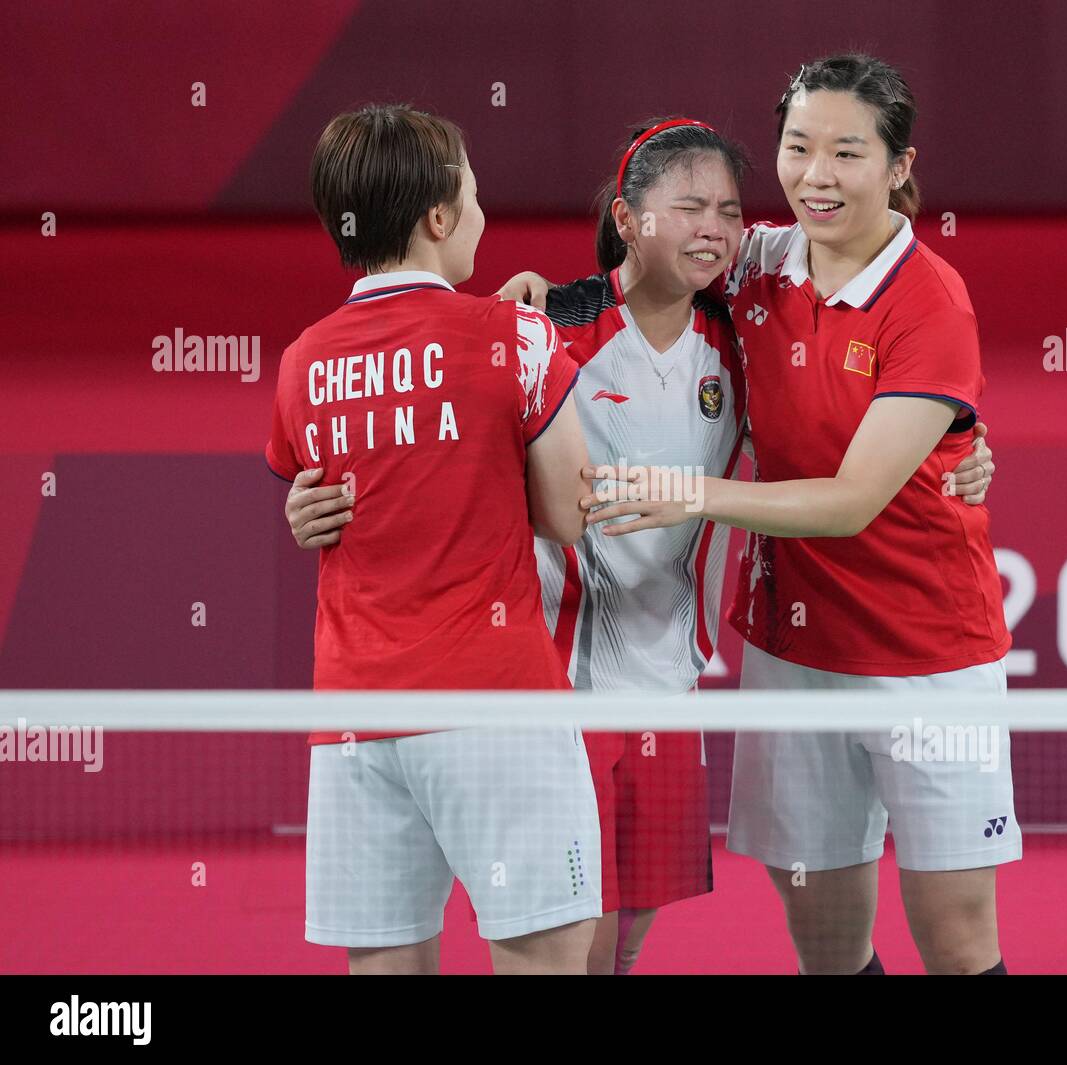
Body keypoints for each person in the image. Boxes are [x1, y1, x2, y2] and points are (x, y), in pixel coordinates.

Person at [286, 111, 996, 976]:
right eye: (689, 207)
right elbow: (432, 431)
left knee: (620, 945)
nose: (716, 229)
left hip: (667, 690)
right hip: (561, 692)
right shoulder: (550, 330)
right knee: (567, 949)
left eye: (731, 212)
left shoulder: (742, 341)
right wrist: (311, 500)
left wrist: (962, 448)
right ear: (628, 221)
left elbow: (858, 404)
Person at [584, 54, 1018, 976]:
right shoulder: (761, 263)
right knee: (825, 942)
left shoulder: (929, 302)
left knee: (957, 938)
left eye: (847, 153)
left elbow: (853, 501)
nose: (816, 176)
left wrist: (685, 493)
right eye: (797, 147)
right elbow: (652, 261)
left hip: (926, 655)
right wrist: (541, 300)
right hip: (794, 651)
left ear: (900, 165)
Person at [265, 104, 600, 975]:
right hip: (498, 713)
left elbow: (327, 490)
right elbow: (569, 513)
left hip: (355, 724)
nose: (485, 215)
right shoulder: (515, 336)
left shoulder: (302, 360)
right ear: (439, 217)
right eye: (477, 196)